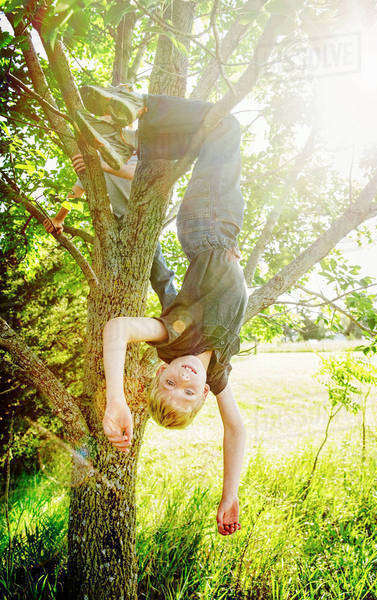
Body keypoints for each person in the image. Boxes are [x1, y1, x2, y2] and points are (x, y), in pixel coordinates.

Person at [83, 85, 248, 536]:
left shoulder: (171, 338)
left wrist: (116, 399)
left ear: (159, 373)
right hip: (219, 227)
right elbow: (235, 431)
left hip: (209, 225)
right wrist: (228, 494)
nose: (186, 377)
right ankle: (121, 156)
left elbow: (117, 329)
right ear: (203, 398)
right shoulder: (217, 372)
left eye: (171, 381)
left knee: (223, 125)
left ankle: (136, 109)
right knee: (210, 134)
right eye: (189, 391)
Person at [43, 123, 177, 311]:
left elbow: (140, 174)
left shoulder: (134, 149)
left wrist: (103, 165)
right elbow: (76, 192)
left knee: (160, 273)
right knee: (120, 274)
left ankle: (177, 316)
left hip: (144, 215)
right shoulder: (94, 161)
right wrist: (59, 218)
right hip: (119, 222)